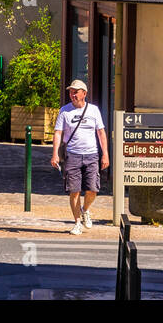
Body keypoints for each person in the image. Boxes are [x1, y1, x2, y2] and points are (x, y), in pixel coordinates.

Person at [50, 79, 109, 234]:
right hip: (73, 155)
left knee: (93, 189)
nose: (73, 94)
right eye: (71, 92)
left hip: (91, 154)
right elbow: (58, 133)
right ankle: (77, 222)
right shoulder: (65, 111)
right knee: (74, 190)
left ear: (84, 93)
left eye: (76, 91)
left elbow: (101, 132)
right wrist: (55, 154)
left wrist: (105, 155)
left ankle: (85, 210)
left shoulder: (94, 110)